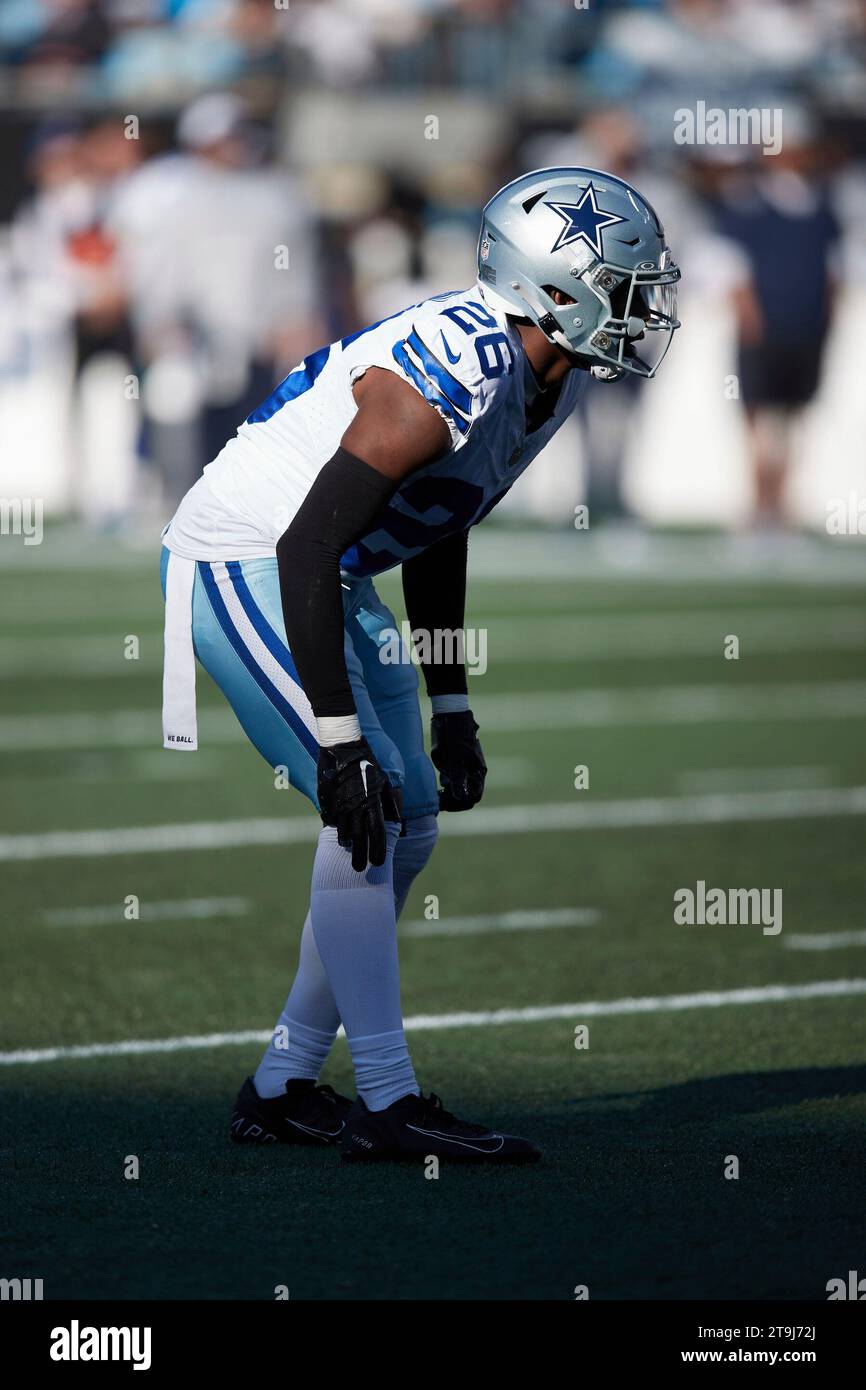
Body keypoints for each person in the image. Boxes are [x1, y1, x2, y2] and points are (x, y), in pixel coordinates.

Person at [159, 167, 681, 1163]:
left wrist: (452, 703)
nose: (640, 309)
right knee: (367, 808)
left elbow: (444, 520)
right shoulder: (456, 367)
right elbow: (303, 544)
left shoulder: (545, 376)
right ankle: (387, 1103)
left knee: (412, 826)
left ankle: (280, 1084)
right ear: (553, 288)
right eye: (622, 285)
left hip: (327, 569)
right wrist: (339, 740)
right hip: (247, 555)